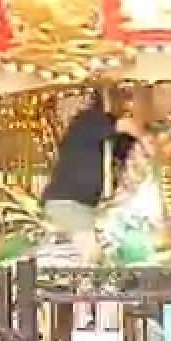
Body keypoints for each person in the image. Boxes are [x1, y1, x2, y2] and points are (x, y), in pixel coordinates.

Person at [41, 95, 142, 262]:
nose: (126, 105)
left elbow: (125, 148)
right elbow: (128, 126)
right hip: (67, 204)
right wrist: (147, 137)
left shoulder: (106, 136)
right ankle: (88, 284)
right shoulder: (88, 121)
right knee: (91, 252)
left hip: (86, 207)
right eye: (124, 98)